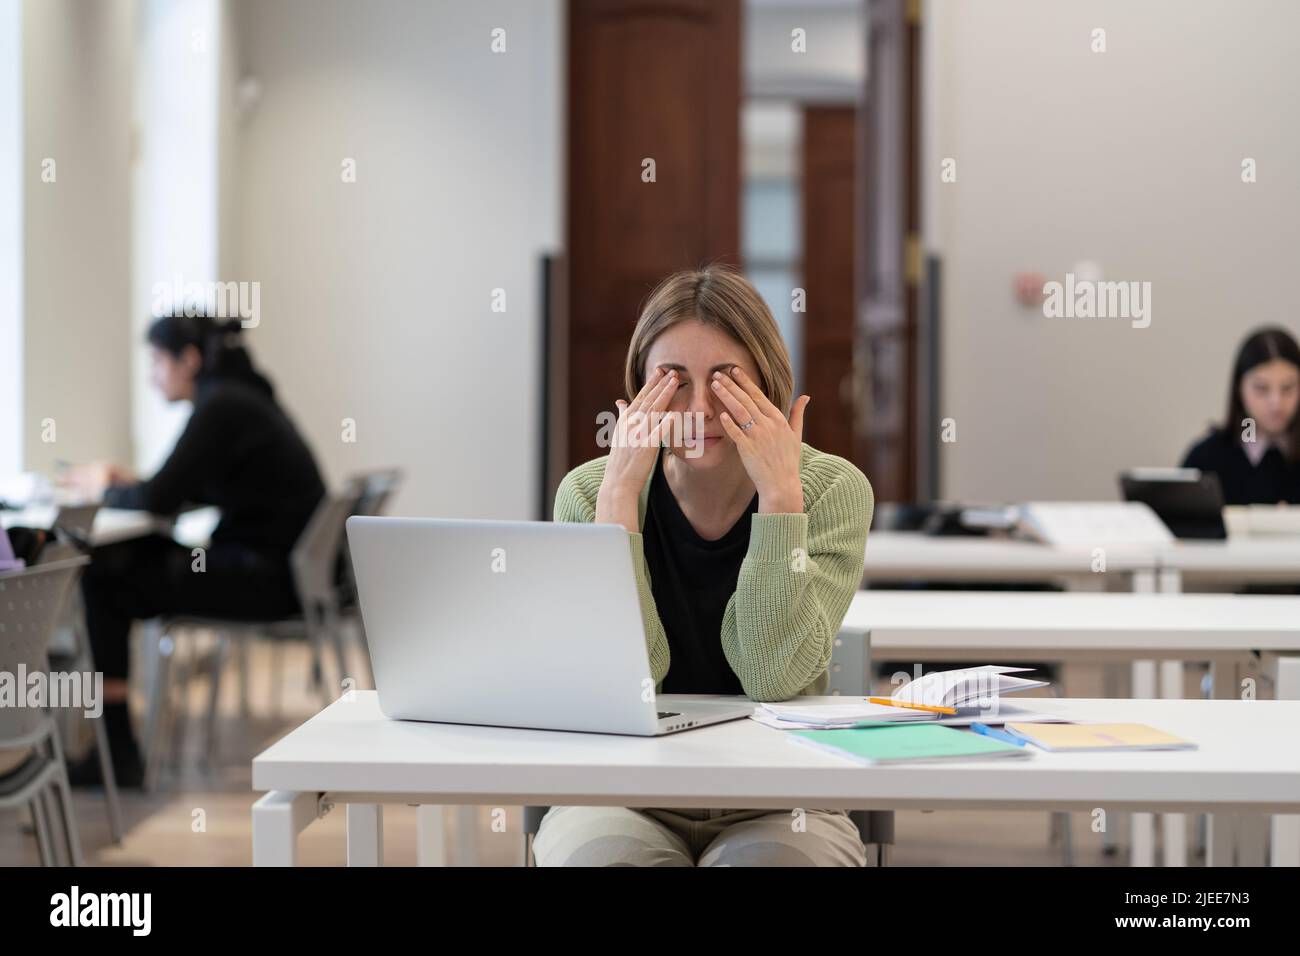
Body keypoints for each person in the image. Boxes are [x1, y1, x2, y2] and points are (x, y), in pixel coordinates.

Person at [533, 265, 874, 866]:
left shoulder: (828, 490)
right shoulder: (587, 495)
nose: (697, 409)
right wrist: (618, 504)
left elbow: (773, 675)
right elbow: (623, 683)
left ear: (767, 383)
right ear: (638, 392)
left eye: (724, 380)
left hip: (782, 798)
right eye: (671, 380)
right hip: (620, 792)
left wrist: (779, 501)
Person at [62, 314, 326, 786]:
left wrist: (101, 486)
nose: (152, 376)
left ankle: (117, 751)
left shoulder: (220, 405)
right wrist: (133, 486)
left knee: (103, 573)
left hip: (263, 579)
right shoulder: (242, 398)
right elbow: (185, 489)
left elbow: (160, 499)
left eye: (158, 361)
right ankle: (114, 746)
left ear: (190, 359)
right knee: (120, 562)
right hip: (284, 574)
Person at [1181, 327, 1300, 504]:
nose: (1276, 403)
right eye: (1261, 388)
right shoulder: (1206, 460)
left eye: (1288, 388)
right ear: (1239, 389)